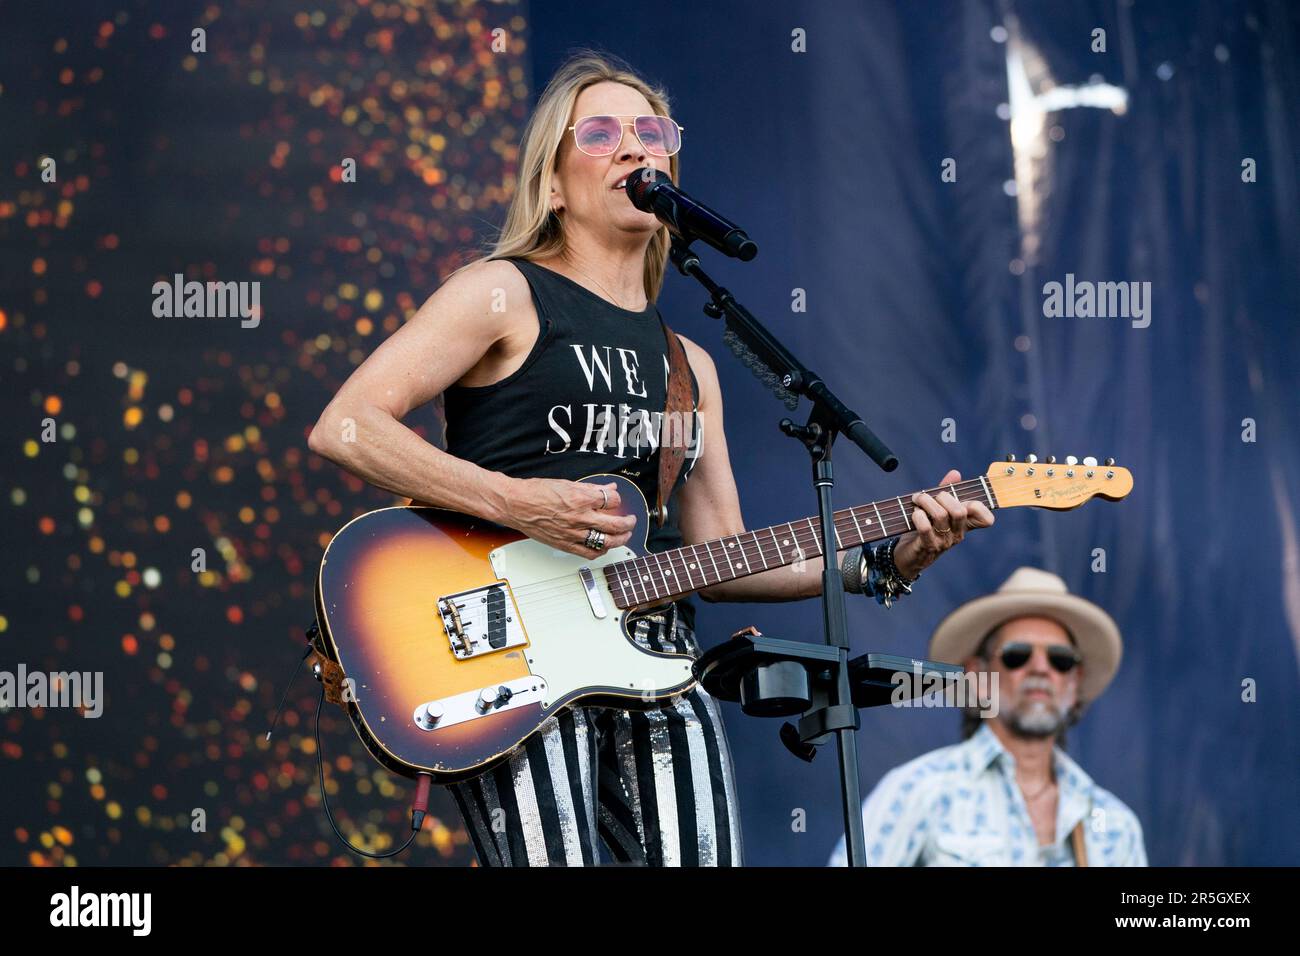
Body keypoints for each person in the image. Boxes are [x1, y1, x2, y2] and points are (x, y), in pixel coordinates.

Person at [308, 50, 992, 866]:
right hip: (510, 652)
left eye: (652, 132)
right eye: (599, 132)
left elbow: (718, 558)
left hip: (657, 658)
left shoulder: (690, 367)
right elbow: (347, 424)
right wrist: (514, 502)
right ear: (553, 184)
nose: (634, 147)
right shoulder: (503, 294)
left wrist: (886, 561)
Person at [828, 567, 1147, 866]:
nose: (1040, 668)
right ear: (978, 676)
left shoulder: (1115, 823)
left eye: (1060, 660)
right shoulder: (920, 789)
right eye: (1017, 656)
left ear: (1074, 682)